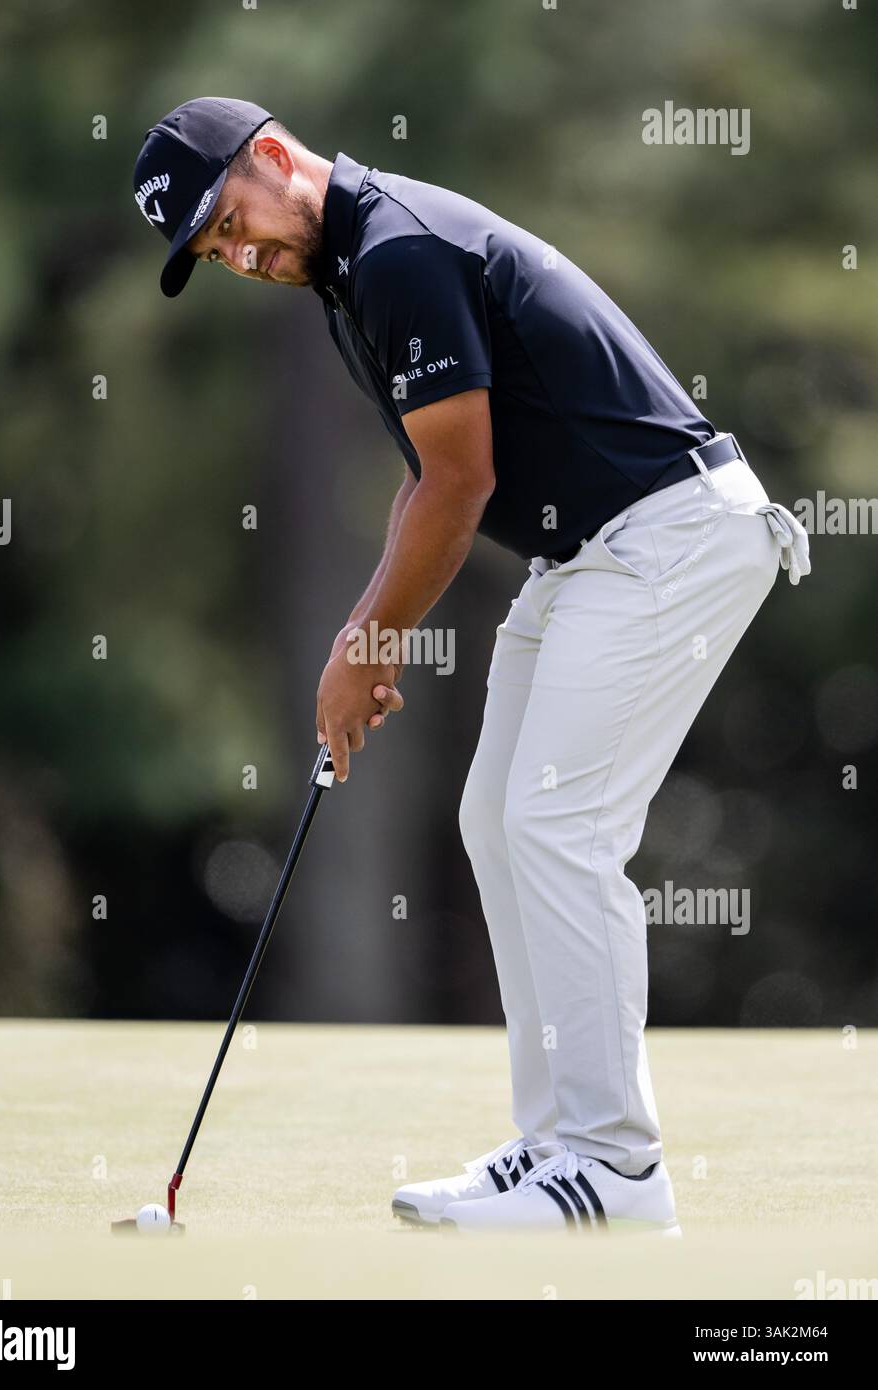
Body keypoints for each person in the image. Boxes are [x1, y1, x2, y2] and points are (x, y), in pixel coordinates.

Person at [132, 98, 809, 1236]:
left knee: (558, 825)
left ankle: (615, 1168)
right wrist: (368, 633)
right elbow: (425, 477)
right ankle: (558, 1145)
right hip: (593, 550)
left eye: (230, 220)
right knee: (499, 818)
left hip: (673, 534)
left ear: (273, 156)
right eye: (214, 252)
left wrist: (367, 646)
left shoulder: (396, 251)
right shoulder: (350, 276)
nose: (239, 254)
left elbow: (461, 485)